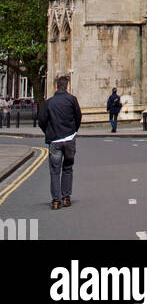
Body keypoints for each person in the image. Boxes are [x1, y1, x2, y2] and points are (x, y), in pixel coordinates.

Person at [38, 75, 82, 210]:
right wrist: (73, 131)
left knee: (55, 171)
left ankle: (56, 201)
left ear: (56, 86)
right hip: (69, 139)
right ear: (66, 86)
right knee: (68, 168)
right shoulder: (72, 100)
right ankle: (66, 198)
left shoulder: (49, 102)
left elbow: (42, 121)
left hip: (55, 141)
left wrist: (49, 132)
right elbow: (78, 117)